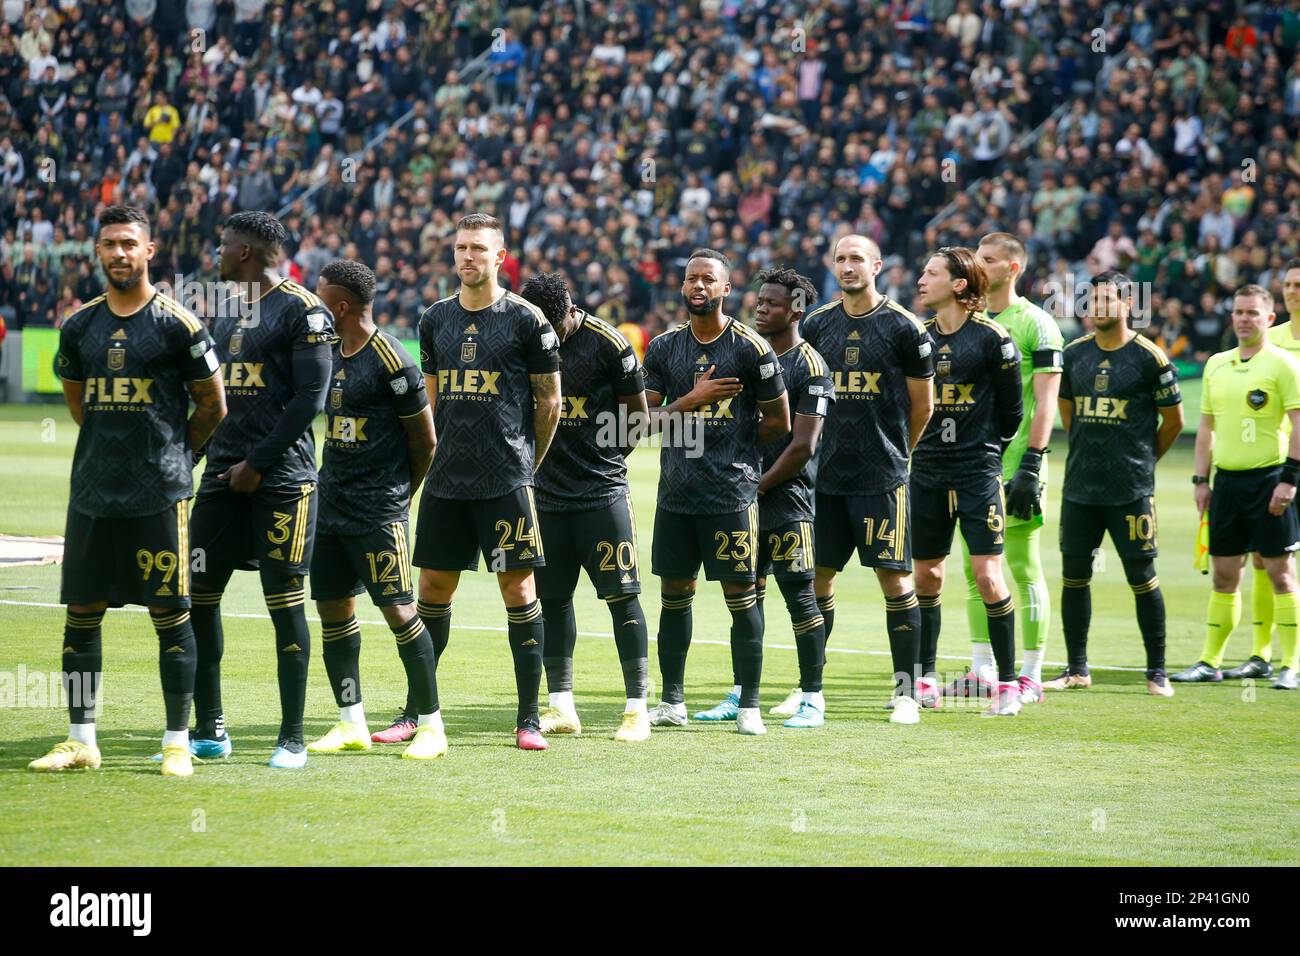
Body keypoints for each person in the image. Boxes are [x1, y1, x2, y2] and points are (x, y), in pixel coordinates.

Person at [29, 205, 226, 777]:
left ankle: (175, 742)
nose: (119, 253)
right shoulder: (79, 326)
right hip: (92, 491)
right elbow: (78, 401)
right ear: (98, 252)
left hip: (158, 495)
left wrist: (177, 456)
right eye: (109, 243)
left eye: (129, 243)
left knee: (170, 612)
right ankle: (81, 740)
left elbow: (213, 403)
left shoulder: (179, 325)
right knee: (82, 613)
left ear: (149, 250)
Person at [189, 211, 336, 769]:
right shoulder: (225, 312)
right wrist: (193, 455)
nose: (217, 254)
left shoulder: (304, 311)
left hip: (283, 482)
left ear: (246, 251)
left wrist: (257, 463)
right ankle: (210, 726)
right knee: (198, 596)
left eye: (224, 245)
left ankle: (291, 736)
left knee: (285, 605)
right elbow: (212, 396)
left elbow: (309, 400)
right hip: (222, 478)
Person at [411, 213, 562, 750]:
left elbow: (550, 401)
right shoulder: (434, 319)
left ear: (500, 257)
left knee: (518, 589)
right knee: (431, 589)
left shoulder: (527, 320)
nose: (467, 257)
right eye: (460, 248)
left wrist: (527, 465)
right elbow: (428, 400)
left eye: (478, 248)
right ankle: (417, 711)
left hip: (505, 479)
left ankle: (528, 719)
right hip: (446, 479)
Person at [642, 248, 790, 736]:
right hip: (677, 495)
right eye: (691, 279)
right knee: (674, 595)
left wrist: (736, 454)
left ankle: (748, 705)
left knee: (741, 595)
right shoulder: (664, 348)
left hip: (730, 495)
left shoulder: (751, 349)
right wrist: (693, 400)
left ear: (727, 289)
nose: (698, 287)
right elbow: (640, 423)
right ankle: (672, 701)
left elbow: (779, 423)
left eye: (708, 279)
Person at [303, 259, 445, 760]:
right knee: (334, 610)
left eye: (318, 298)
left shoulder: (392, 360)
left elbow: (425, 441)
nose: (311, 306)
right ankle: (350, 722)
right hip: (332, 504)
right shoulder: (328, 353)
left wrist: (400, 497)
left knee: (399, 610)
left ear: (339, 307)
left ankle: (431, 726)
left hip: (378, 511)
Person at [801, 235, 934, 723]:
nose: (848, 265)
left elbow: (924, 405)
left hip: (881, 478)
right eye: (840, 258)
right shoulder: (816, 324)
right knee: (816, 579)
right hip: (825, 478)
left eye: (857, 258)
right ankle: (809, 689)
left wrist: (899, 454)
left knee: (895, 581)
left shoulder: (905, 327)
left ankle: (906, 694)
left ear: (877, 265)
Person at [518, 271, 652, 743]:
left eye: (554, 323)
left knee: (623, 597)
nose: (548, 334)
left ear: (569, 310)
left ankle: (637, 709)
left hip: (601, 495)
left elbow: (636, 420)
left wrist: (603, 462)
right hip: (546, 497)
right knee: (552, 600)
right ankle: (561, 706)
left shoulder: (609, 344)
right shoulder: (526, 333)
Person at [1054, 272, 1184, 695]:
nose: (1097, 308)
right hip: (1079, 490)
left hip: (1130, 492)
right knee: (1074, 576)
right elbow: (1068, 412)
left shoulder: (1150, 357)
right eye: (1092, 300)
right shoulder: (1073, 355)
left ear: (1128, 305)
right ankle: (1077, 668)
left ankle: (1157, 672)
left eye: (1107, 300)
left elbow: (1174, 422)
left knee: (1142, 577)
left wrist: (1143, 462)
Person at [911, 247, 1024, 718]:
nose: (921, 279)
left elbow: (1011, 416)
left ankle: (1008, 683)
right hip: (926, 473)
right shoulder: (916, 338)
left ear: (960, 285)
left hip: (977, 474)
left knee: (988, 576)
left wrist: (980, 451)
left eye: (931, 273)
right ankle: (924, 677)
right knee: (926, 576)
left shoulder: (994, 340)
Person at [952, 232, 1064, 704]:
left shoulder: (1036, 324)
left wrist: (1032, 465)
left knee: (1019, 565)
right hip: (969, 466)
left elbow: (1045, 403)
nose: (979, 264)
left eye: (990, 259)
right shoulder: (965, 321)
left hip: (1015, 466)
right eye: (977, 257)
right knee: (975, 570)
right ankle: (983, 668)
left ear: (1013, 268)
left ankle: (1031, 674)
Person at [1175, 285, 1300, 690]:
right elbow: (1206, 427)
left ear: (1268, 318)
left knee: (1280, 574)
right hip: (1226, 484)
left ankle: (1290, 665)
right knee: (1224, 576)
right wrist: (1200, 480)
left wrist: (1289, 480)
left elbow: (1299, 425)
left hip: (1269, 481)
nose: (1244, 319)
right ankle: (1209, 661)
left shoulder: (1283, 365)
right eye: (1238, 312)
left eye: (1252, 313)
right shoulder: (1216, 364)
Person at [1232, 258, 1300, 681]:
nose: (1295, 290)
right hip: (1282, 464)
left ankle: (1290, 659)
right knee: (1264, 558)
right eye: (1290, 284)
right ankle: (1260, 653)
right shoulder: (1269, 339)